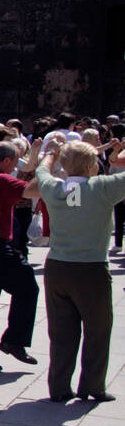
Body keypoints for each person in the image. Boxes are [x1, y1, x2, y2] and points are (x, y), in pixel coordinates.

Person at [34, 139, 125, 403]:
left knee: (61, 330)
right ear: (89, 165)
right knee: (97, 329)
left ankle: (59, 386)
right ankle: (92, 385)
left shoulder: (53, 188)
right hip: (91, 268)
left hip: (57, 267)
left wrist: (51, 154)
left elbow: (41, 170)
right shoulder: (103, 188)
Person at [0, 140, 42, 373]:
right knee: (28, 287)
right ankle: (13, 339)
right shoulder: (0, 179)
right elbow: (32, 190)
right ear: (7, 161)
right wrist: (45, 169)